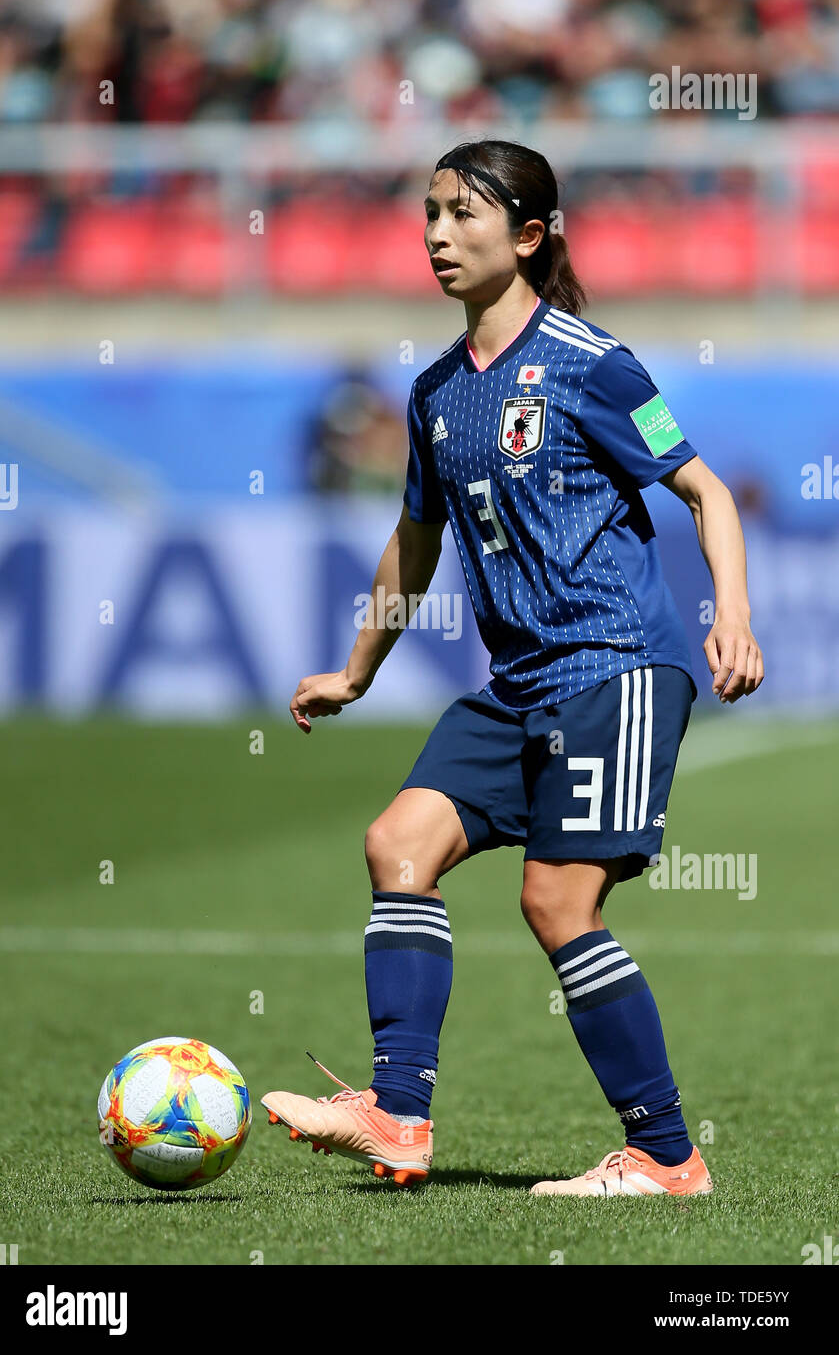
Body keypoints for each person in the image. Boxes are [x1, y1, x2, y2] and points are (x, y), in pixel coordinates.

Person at [262, 138, 764, 1196]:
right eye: (430, 213)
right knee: (398, 843)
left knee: (555, 904)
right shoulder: (435, 392)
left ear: (528, 236)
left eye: (464, 215)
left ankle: (666, 1157)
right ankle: (398, 1115)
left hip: (616, 665)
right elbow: (414, 541)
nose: (438, 235)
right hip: (517, 684)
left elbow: (705, 491)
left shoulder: (593, 363)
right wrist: (353, 671)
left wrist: (731, 616)